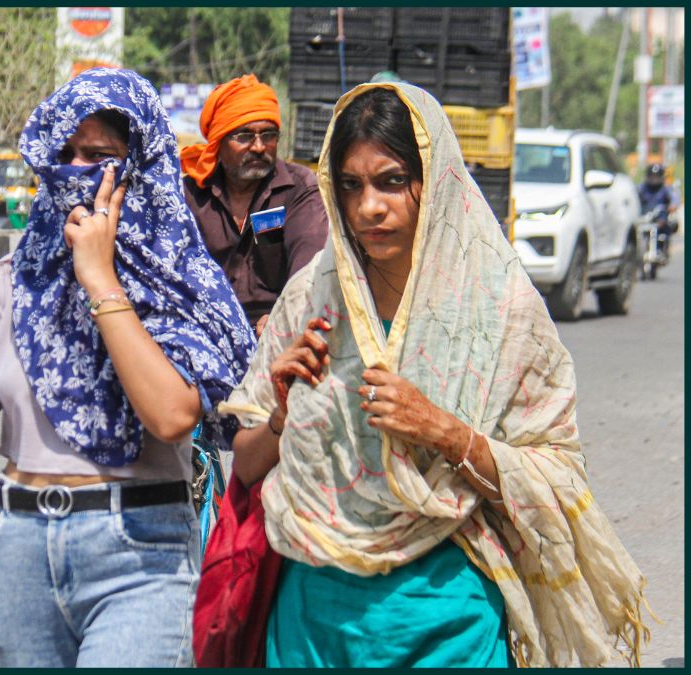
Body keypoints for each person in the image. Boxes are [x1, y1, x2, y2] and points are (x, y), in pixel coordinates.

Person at [220, 83, 650, 667]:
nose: (370, 207)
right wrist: (281, 415)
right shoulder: (311, 298)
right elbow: (247, 467)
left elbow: (557, 472)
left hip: (448, 623)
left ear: (437, 178)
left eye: (392, 181)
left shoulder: (500, 309)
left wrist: (443, 431)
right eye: (351, 185)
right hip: (313, 619)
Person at [0, 67, 255, 667]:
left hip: (140, 556)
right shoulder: (14, 282)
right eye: (65, 154)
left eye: (99, 156)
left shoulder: (177, 286)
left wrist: (100, 279)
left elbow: (171, 415)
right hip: (20, 554)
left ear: (139, 165)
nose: (76, 171)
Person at [180, 74, 328, 336]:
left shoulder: (298, 188)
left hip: (275, 329)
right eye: (244, 136)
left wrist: (284, 316)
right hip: (201, 329)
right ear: (218, 143)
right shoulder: (191, 194)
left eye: (268, 135)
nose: (259, 147)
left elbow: (310, 269)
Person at [638, 162, 679, 257]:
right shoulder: (642, 187)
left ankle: (663, 247)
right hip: (645, 215)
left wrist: (673, 205)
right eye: (652, 176)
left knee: (667, 223)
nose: (654, 179)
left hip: (660, 215)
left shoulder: (665, 188)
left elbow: (674, 198)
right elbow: (633, 195)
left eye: (656, 176)